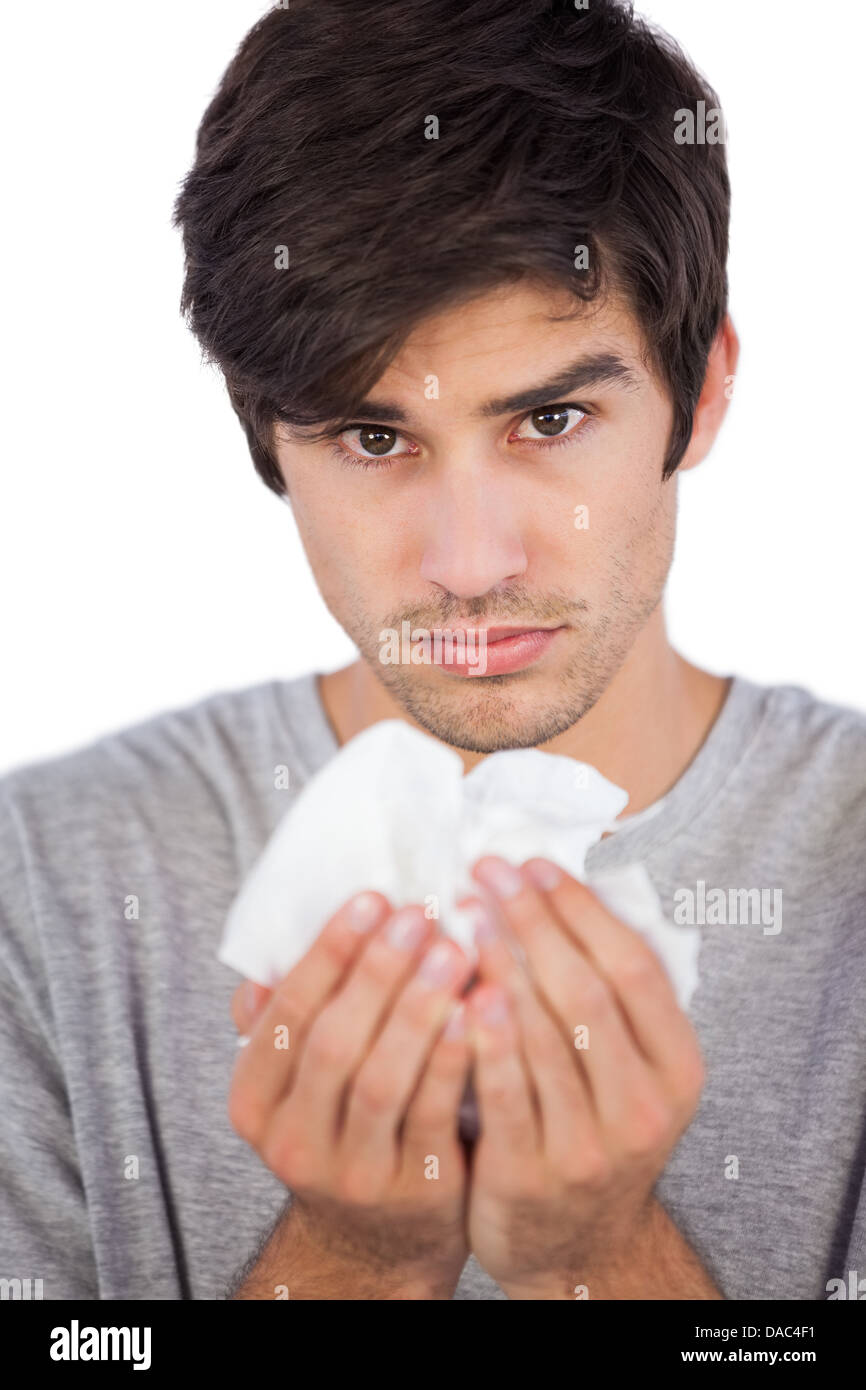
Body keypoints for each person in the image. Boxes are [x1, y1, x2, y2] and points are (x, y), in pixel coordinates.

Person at [1, 0, 864, 1302]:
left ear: (701, 394)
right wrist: (354, 1258)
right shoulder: (42, 890)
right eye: (372, 438)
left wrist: (598, 1256)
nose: (469, 561)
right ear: (264, 442)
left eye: (551, 416)